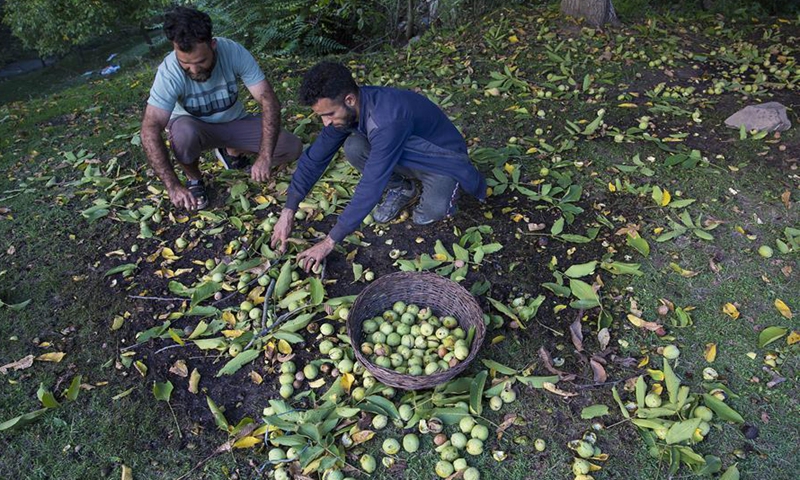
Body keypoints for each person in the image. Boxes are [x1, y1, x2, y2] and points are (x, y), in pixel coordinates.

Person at [270, 61, 486, 272]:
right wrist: (288, 210)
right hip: (404, 151)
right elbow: (314, 159)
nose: (326, 122)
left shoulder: (386, 119)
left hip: (441, 160)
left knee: (431, 212)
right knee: (355, 146)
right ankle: (404, 188)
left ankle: (439, 189)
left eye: (329, 114)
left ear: (349, 99)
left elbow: (372, 183)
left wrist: (329, 241)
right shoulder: (347, 111)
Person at [141, 6, 302, 210]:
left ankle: (232, 153)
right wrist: (172, 185)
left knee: (292, 147)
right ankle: (195, 179)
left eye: (201, 61)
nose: (194, 70)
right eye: (185, 64)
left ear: (213, 45)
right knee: (183, 134)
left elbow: (267, 99)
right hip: (195, 129)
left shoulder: (233, 51)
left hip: (234, 122)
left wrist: (264, 156)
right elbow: (150, 128)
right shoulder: (169, 71)